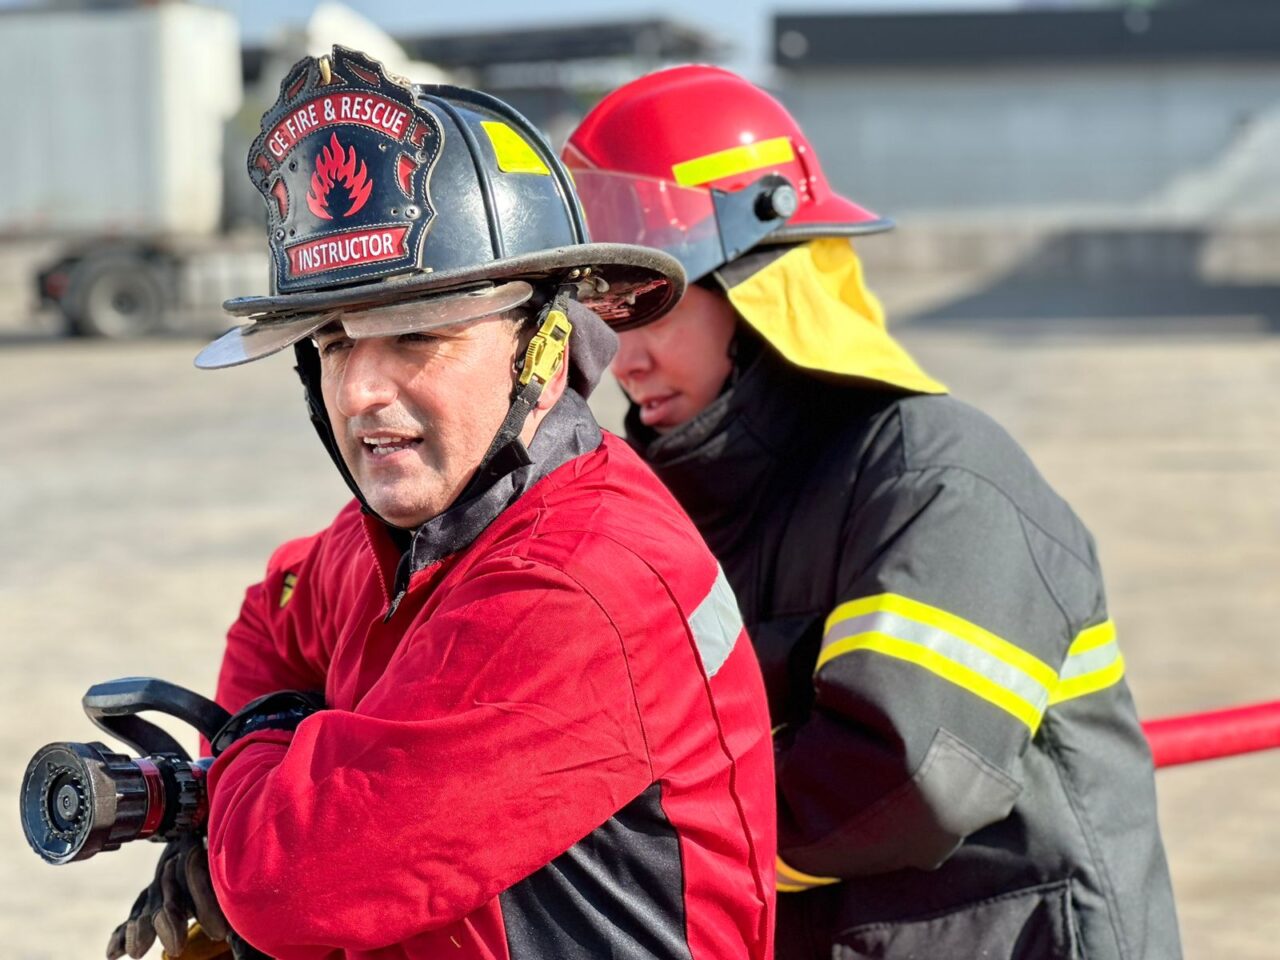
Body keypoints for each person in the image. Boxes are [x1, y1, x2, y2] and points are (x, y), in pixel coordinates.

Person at [106, 49, 776, 960]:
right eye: (335, 343)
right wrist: (262, 749)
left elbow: (286, 882)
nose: (361, 393)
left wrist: (246, 762)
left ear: (543, 347)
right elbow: (277, 615)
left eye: (418, 334)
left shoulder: (580, 584)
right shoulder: (406, 536)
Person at [564, 65, 1182, 960]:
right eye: (601, 311)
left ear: (763, 284)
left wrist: (618, 844)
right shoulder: (683, 499)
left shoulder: (941, 480)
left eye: (647, 306)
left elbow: (910, 778)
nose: (625, 357)